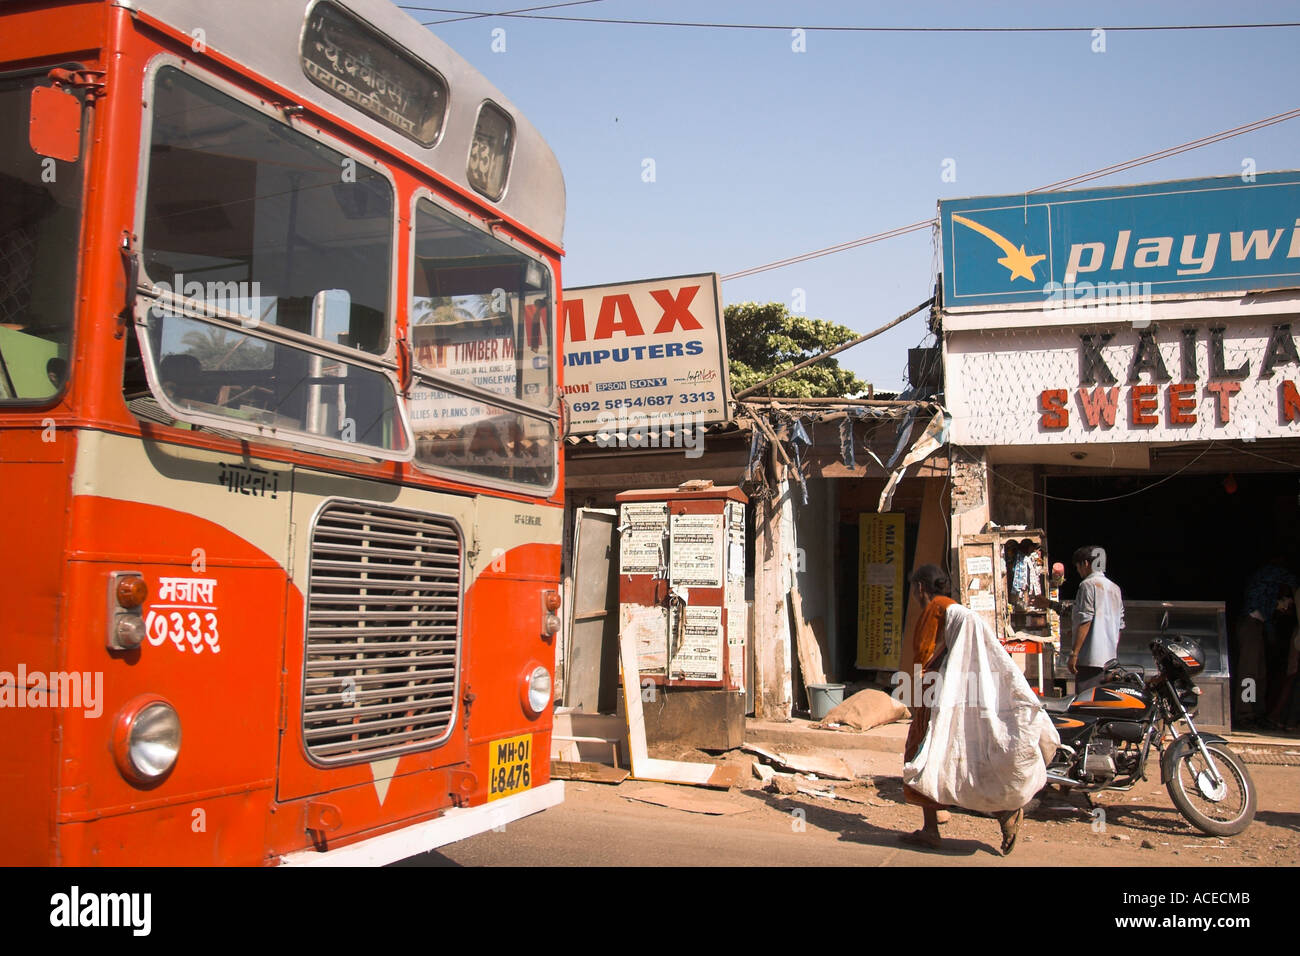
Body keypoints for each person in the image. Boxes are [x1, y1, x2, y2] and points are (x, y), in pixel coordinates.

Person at [899, 564, 1023, 855]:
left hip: (935, 698)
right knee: (959, 760)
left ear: (920, 588)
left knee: (920, 755)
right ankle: (1003, 812)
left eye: (914, 590)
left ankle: (933, 829)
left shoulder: (935, 609)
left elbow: (923, 655)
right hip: (955, 695)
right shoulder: (955, 607)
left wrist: (916, 699)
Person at [1235, 554, 1297, 728]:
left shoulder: (1269, 583)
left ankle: (1256, 712)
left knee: (1259, 673)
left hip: (1258, 626)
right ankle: (1245, 714)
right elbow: (1291, 579)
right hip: (1251, 624)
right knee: (1249, 674)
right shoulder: (1269, 573)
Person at [1068, 545, 1125, 685]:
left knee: (1086, 702)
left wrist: (1074, 653)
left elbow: (1086, 620)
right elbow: (1120, 625)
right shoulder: (1115, 588)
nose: (1078, 570)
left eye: (1078, 566)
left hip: (1090, 660)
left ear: (1086, 563)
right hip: (1109, 660)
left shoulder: (1087, 585)